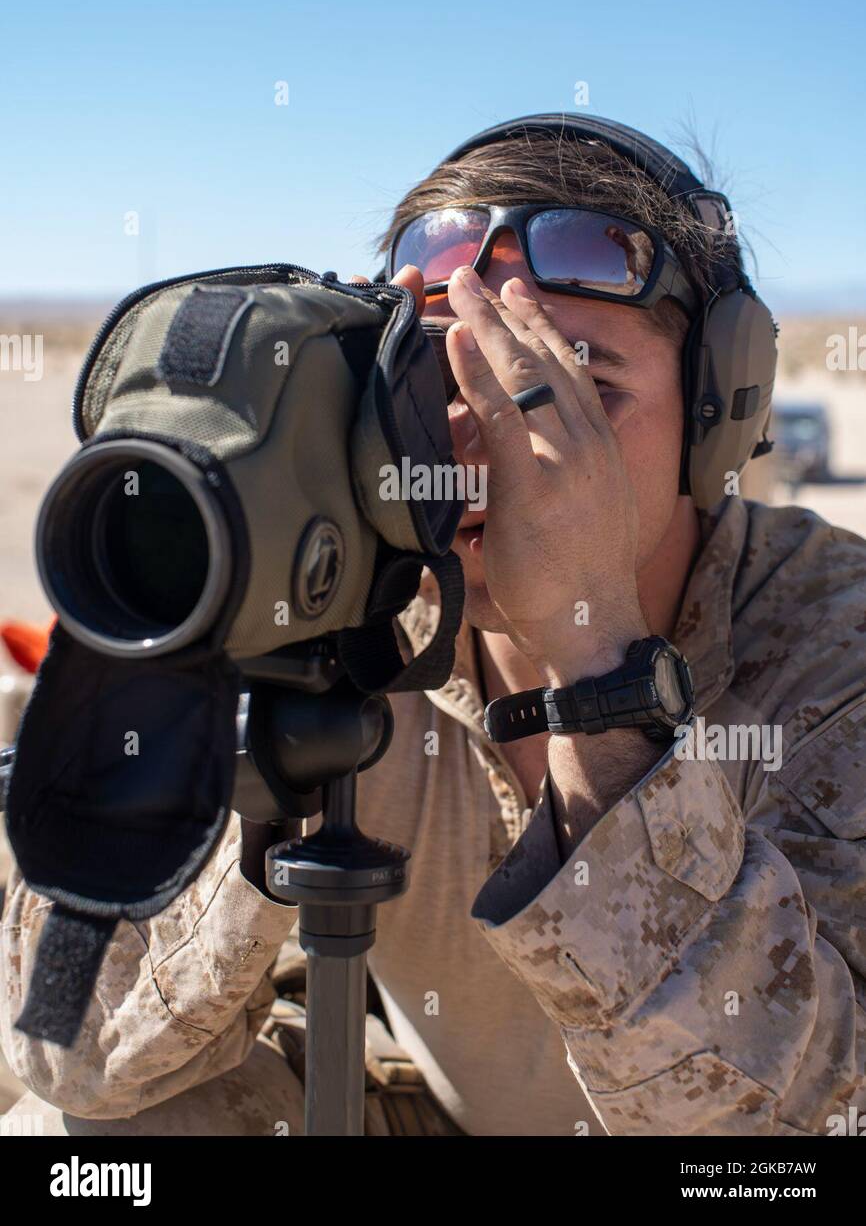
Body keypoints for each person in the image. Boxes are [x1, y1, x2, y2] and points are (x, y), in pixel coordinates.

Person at [2, 116, 865, 1137]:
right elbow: (62, 1044)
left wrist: (598, 669)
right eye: (438, 388)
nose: (478, 442)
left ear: (715, 415)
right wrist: (253, 714)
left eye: (568, 395)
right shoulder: (360, 603)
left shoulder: (830, 642)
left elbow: (796, 1134)